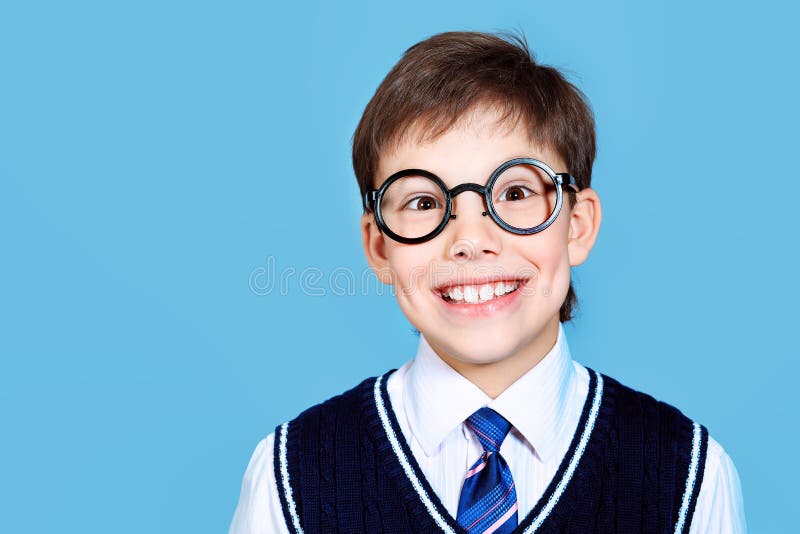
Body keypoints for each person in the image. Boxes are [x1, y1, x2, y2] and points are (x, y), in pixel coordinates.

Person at [229, 31, 746, 533]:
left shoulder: (689, 479)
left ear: (578, 225)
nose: (472, 240)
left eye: (515, 193)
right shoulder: (290, 477)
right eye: (425, 203)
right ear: (379, 246)